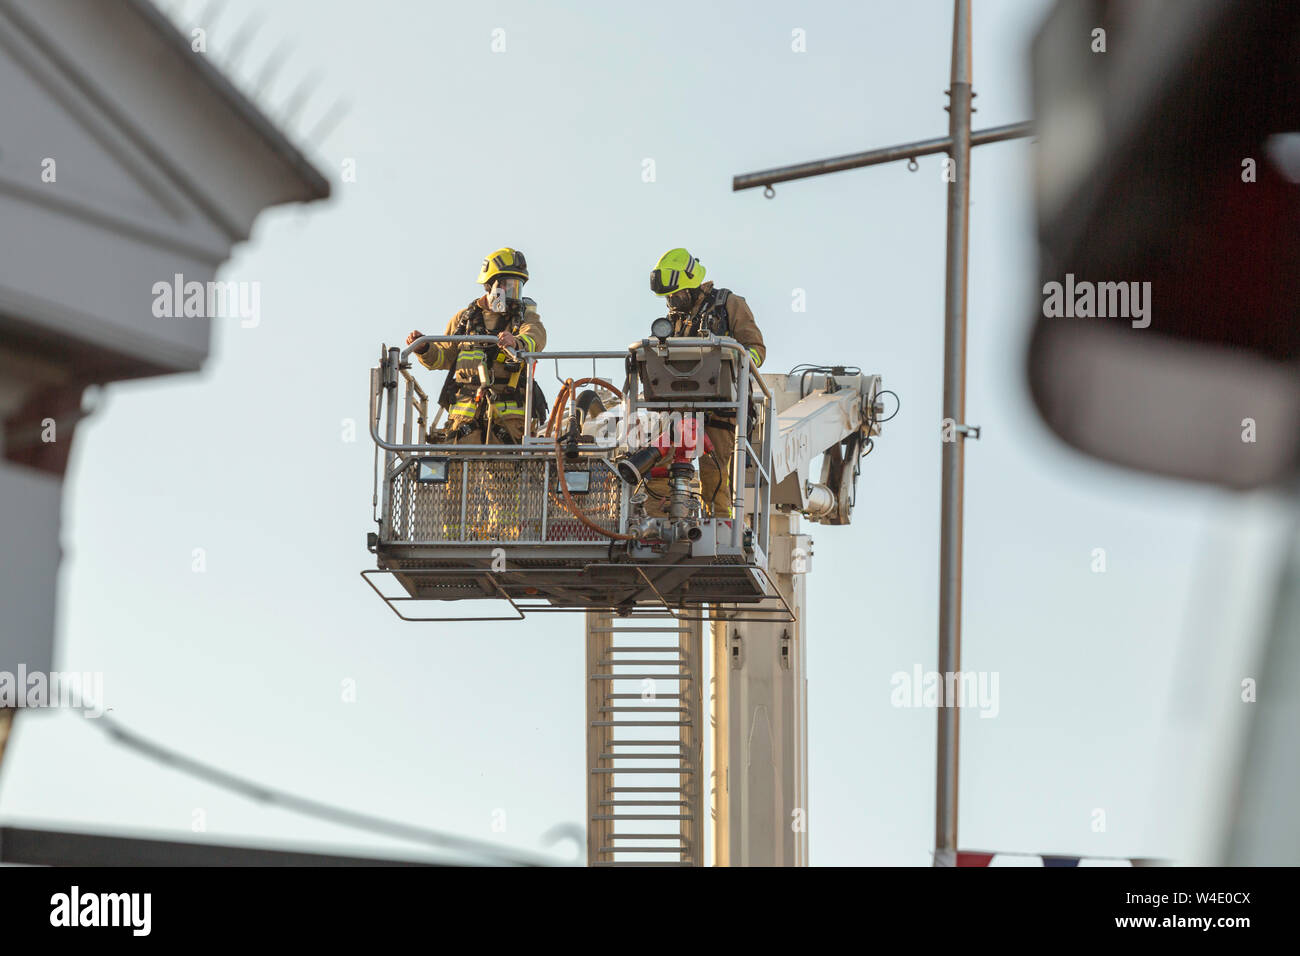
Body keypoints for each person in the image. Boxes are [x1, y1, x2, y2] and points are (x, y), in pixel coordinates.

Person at [647, 248, 765, 517]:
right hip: (679, 405)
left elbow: (756, 348)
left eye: (675, 295)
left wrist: (737, 361)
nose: (671, 302)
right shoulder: (676, 317)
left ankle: (718, 530)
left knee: (714, 475)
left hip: (721, 407)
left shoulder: (729, 304)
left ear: (692, 285)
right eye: (667, 297)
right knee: (660, 464)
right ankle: (659, 524)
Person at [406, 247, 546, 444]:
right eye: (507, 285)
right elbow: (444, 356)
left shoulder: (524, 317)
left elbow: (536, 335)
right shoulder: (465, 319)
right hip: (464, 420)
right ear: (490, 285)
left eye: (517, 286)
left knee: (507, 473)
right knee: (454, 472)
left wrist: (517, 342)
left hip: (508, 422)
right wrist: (424, 349)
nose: (512, 292)